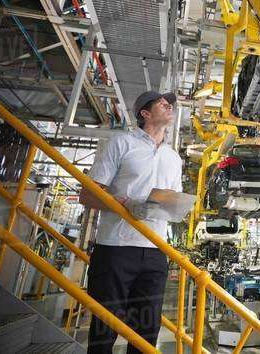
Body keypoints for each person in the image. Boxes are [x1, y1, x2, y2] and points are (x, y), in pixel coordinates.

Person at [79, 91, 182, 353]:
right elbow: (88, 194)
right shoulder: (121, 143)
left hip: (156, 250)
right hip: (116, 248)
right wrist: (124, 204)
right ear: (144, 114)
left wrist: (178, 208)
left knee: (146, 331)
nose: (167, 105)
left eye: (169, 103)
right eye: (161, 103)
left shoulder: (174, 158)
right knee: (105, 328)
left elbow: (172, 202)